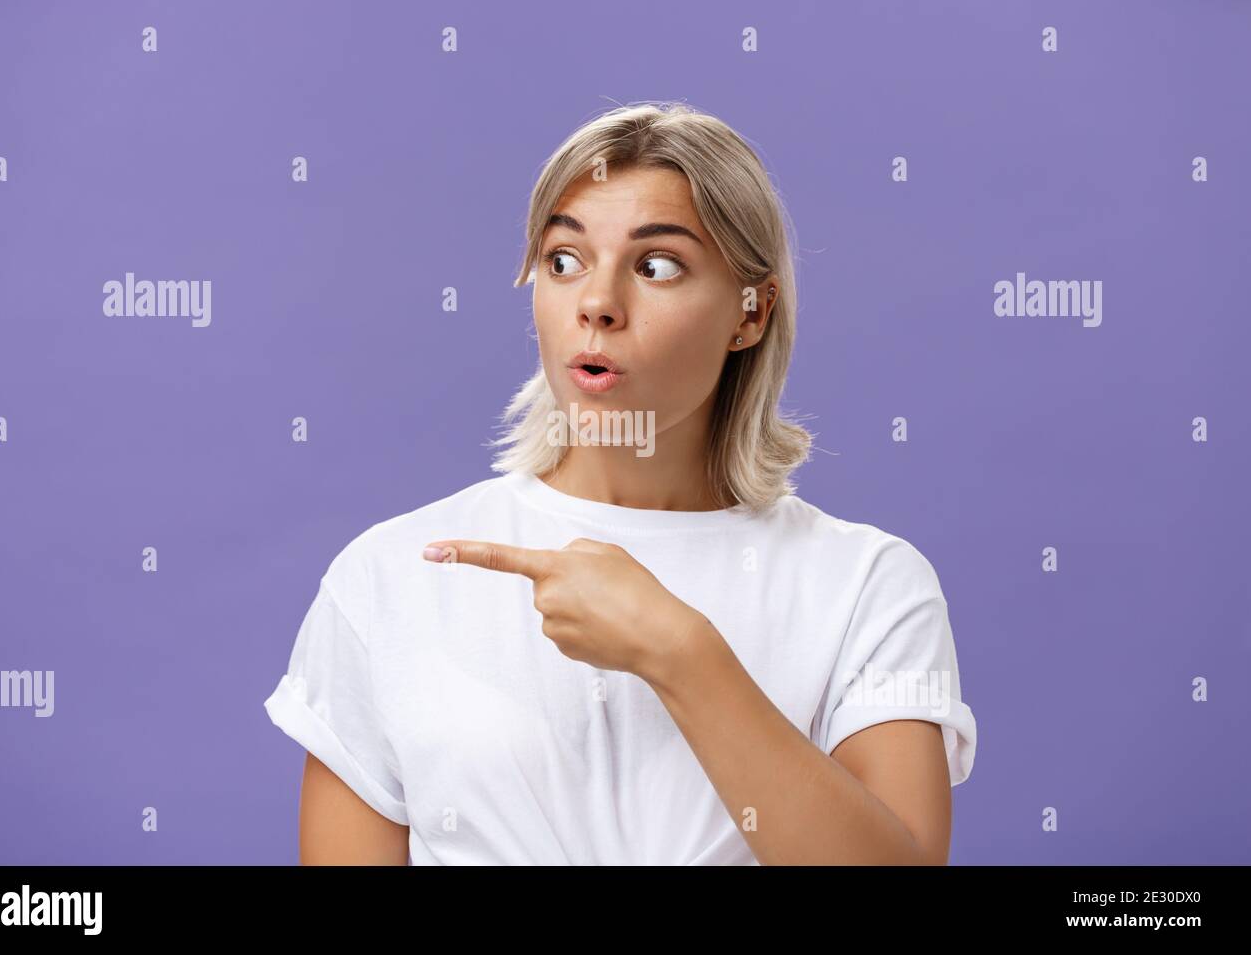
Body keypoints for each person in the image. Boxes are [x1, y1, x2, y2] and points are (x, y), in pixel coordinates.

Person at [263, 101, 977, 865]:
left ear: (752, 312)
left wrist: (679, 652)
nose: (597, 304)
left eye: (656, 266)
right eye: (563, 261)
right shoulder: (389, 577)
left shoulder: (867, 586)